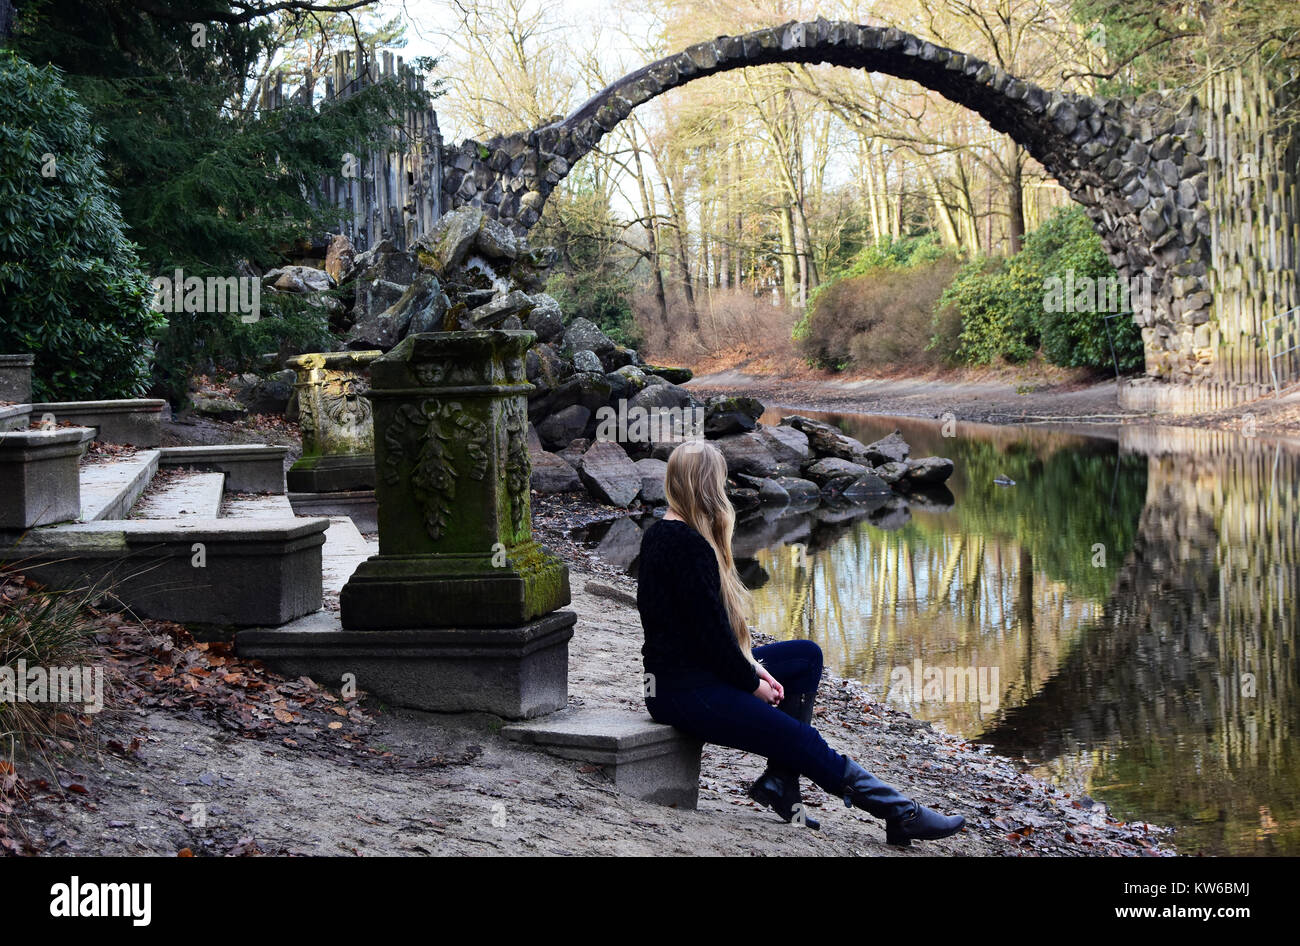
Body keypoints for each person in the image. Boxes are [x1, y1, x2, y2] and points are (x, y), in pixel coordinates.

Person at [637, 439, 965, 845]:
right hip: (684, 691)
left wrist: (753, 667)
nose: (724, 492)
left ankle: (779, 781)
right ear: (708, 488)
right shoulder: (689, 546)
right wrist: (751, 682)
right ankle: (900, 812)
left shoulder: (661, 533)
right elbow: (710, 641)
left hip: (689, 675)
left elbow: (703, 633)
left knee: (804, 657)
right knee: (802, 739)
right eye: (720, 483)